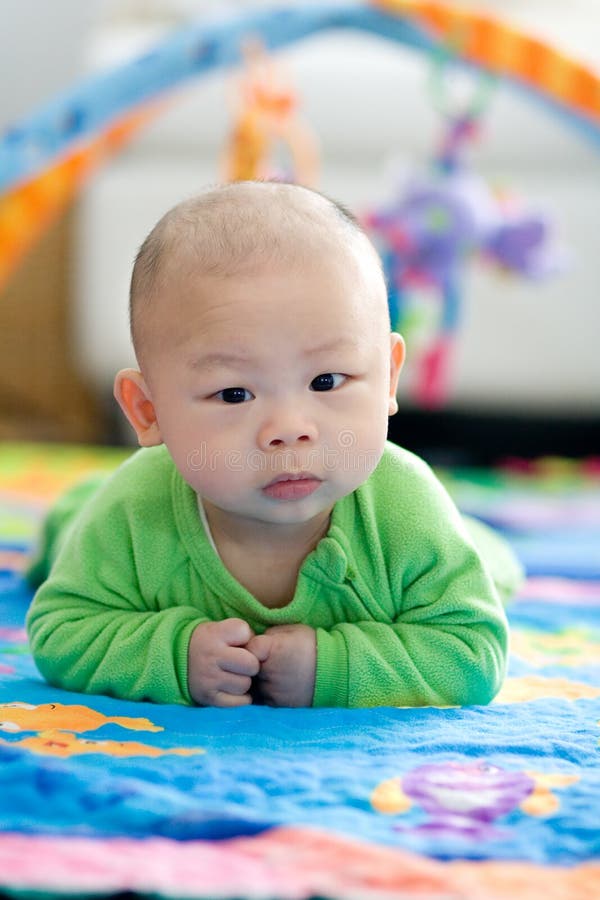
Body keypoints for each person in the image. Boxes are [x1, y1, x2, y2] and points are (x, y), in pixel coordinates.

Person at [26, 181, 521, 709]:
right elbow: (62, 631)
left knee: (482, 565)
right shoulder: (134, 512)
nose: (289, 429)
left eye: (327, 381)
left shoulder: (405, 512)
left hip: (433, 544)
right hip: (110, 518)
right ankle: (69, 517)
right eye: (235, 393)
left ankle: (482, 545)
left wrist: (331, 666)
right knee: (76, 531)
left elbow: (472, 654)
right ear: (148, 412)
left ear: (389, 378)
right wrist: (174, 655)